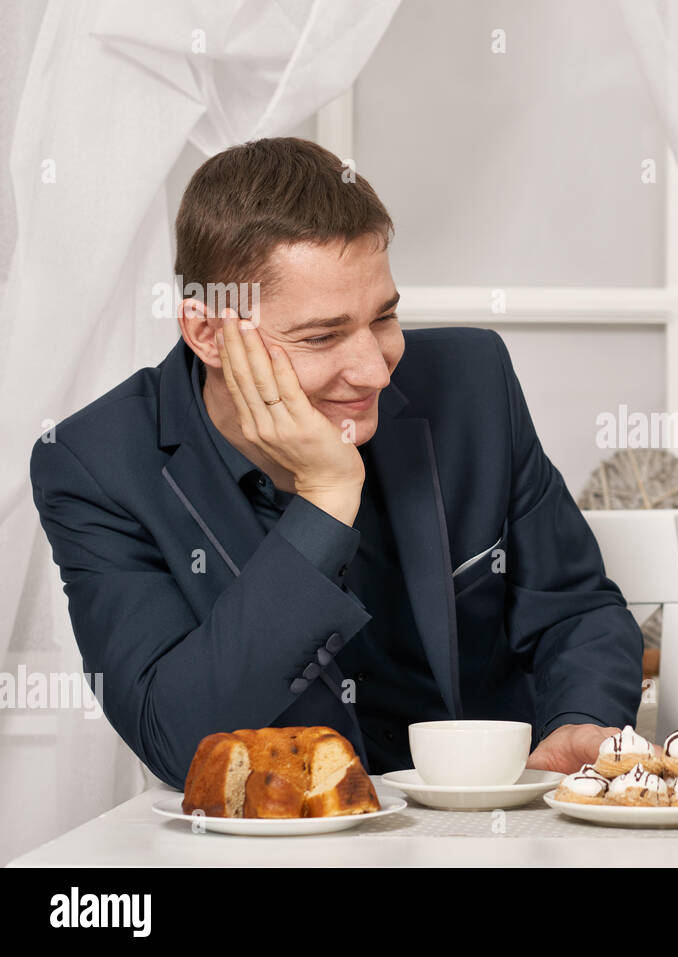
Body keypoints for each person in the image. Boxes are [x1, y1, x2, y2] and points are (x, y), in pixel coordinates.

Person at [29, 137, 643, 790]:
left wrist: (579, 717)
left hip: (487, 831)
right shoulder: (96, 466)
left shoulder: (475, 383)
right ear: (208, 333)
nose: (375, 369)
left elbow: (574, 610)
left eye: (384, 317)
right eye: (321, 336)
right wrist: (325, 499)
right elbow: (178, 739)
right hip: (286, 846)